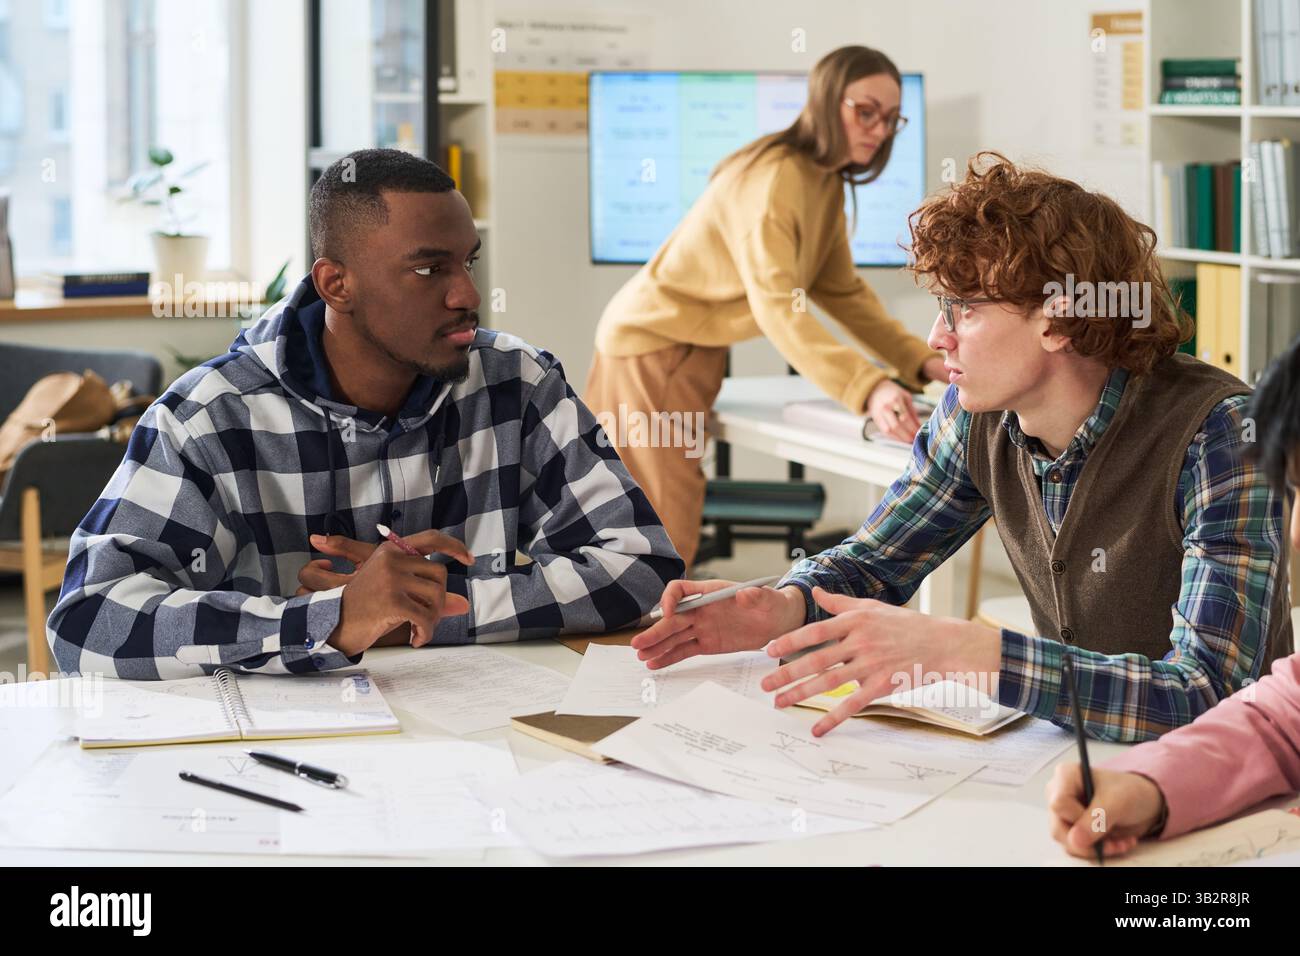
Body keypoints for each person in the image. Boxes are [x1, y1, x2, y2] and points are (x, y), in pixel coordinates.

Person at [633, 152, 1292, 743]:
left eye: (964, 308)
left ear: (1058, 319)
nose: (938, 337)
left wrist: (979, 654)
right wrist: (784, 604)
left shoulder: (1221, 434)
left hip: (1232, 793)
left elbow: (1211, 695)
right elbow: (875, 563)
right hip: (1076, 764)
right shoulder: (975, 409)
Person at [47, 148, 684, 679]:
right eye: (428, 268)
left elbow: (642, 565)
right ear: (336, 285)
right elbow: (86, 621)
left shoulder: (518, 383)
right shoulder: (209, 418)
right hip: (279, 774)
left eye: (468, 262)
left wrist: (424, 605)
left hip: (486, 752)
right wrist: (331, 619)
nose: (465, 294)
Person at [585, 45, 946, 569]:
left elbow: (841, 292)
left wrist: (923, 363)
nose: (879, 128)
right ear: (826, 100)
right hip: (653, 350)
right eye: (865, 111)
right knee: (661, 538)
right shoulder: (777, 178)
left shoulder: (821, 180)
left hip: (683, 349)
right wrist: (867, 387)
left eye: (891, 118)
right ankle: (631, 649)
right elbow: (779, 306)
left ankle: (643, 642)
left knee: (661, 529)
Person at [1046, 335, 1300, 858]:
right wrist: (1147, 787)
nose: (1295, 533)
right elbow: (1278, 722)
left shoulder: (1213, 424)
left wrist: (978, 659)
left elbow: (1208, 687)